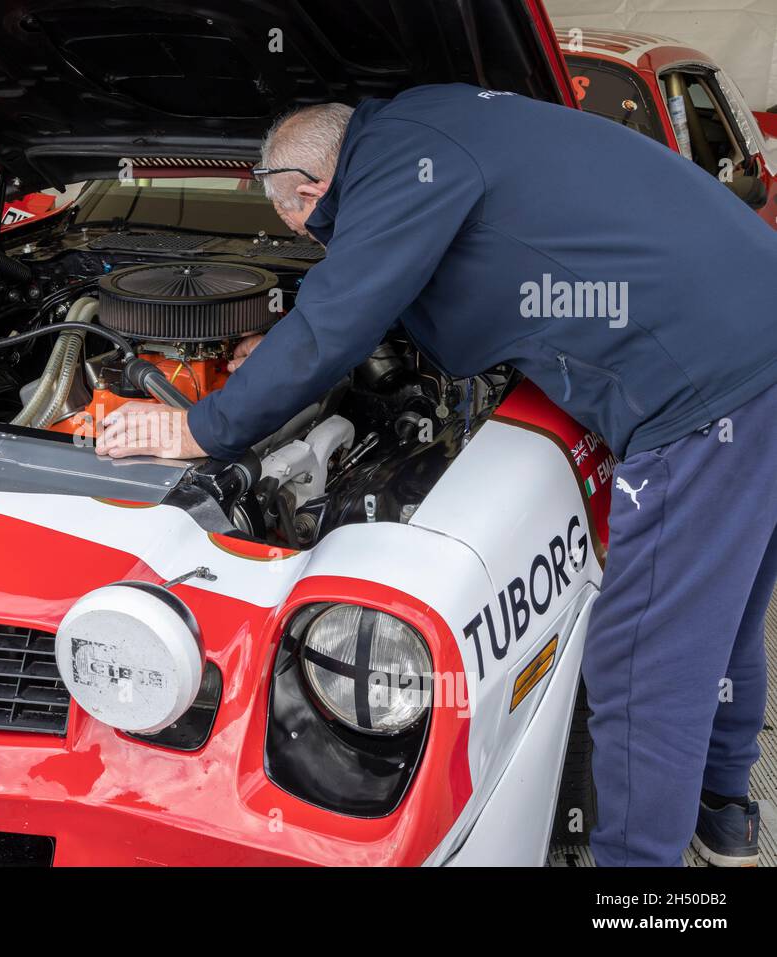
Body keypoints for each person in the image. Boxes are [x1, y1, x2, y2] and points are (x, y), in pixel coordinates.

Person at [96, 85, 777, 866]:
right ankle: (724, 815)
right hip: (758, 337)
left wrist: (197, 425)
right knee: (718, 622)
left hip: (711, 390)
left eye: (304, 226)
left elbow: (341, 311)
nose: (309, 237)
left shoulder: (398, 160)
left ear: (310, 193)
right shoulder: (432, 122)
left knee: (643, 662)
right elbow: (395, 282)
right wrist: (289, 347)